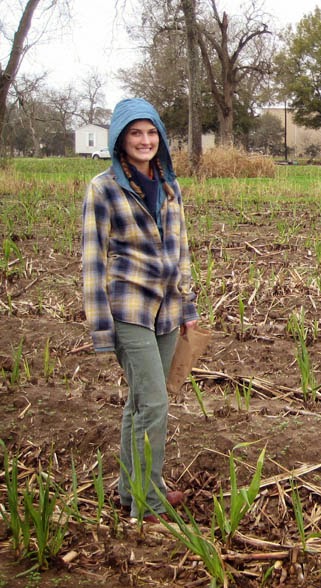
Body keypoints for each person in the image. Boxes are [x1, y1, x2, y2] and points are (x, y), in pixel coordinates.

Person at [81, 98, 197, 523]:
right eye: (135, 133)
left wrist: (189, 304)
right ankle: (148, 503)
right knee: (153, 404)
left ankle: (132, 490)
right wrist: (100, 329)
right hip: (128, 308)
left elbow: (181, 247)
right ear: (120, 138)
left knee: (140, 402)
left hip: (167, 308)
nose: (144, 141)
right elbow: (93, 261)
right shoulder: (103, 188)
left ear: (160, 138)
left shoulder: (169, 184)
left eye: (151, 133)